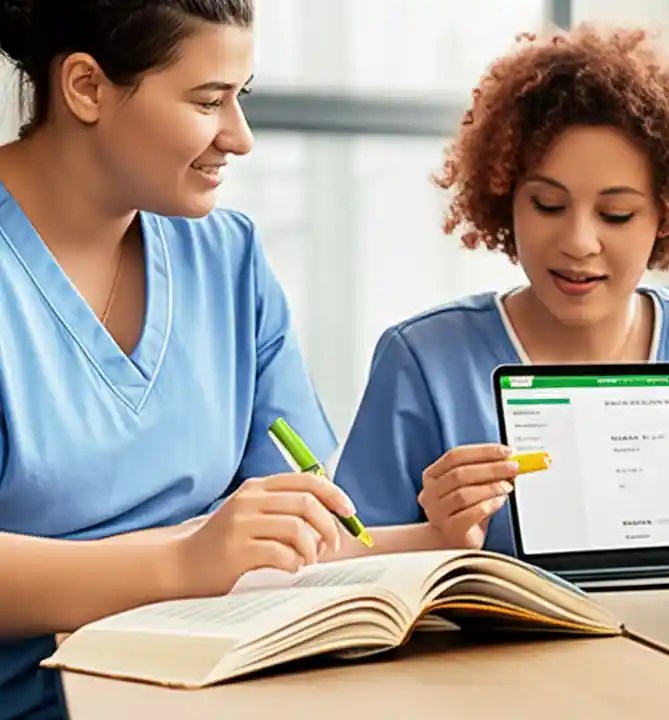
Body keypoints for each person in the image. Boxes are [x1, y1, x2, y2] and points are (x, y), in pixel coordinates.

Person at [333, 24, 669, 555]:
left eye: (616, 214)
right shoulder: (426, 359)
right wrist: (434, 540)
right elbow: (346, 555)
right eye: (547, 205)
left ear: (667, 215)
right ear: (505, 199)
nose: (578, 242)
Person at [0, 2, 374, 717]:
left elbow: (294, 522)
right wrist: (184, 561)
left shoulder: (230, 262)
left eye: (243, 97)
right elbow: (213, 550)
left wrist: (440, 540)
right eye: (209, 101)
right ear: (85, 87)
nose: (240, 137)